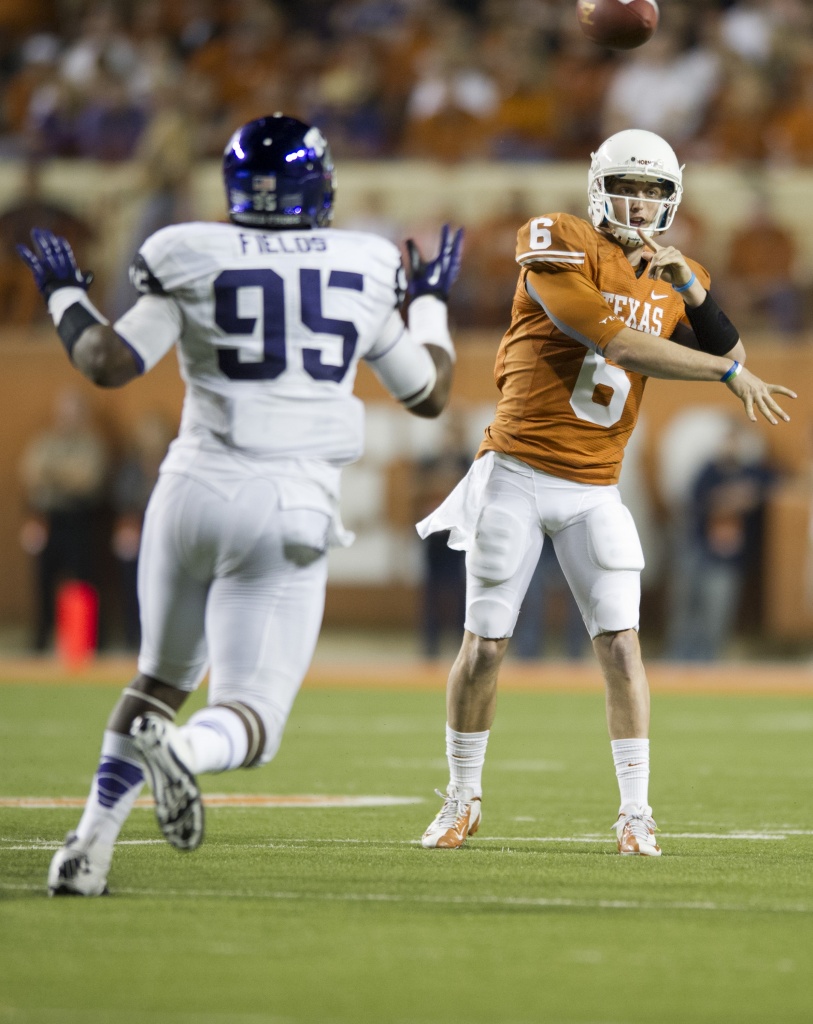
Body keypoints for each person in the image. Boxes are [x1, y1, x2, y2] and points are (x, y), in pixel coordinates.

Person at [18, 113, 463, 896]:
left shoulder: (191, 249)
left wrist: (61, 294)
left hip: (188, 490)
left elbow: (108, 361)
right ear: (317, 187)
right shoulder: (360, 262)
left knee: (156, 681)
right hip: (285, 503)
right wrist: (429, 303)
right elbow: (427, 394)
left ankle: (86, 851)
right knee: (250, 718)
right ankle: (183, 755)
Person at [416, 128, 795, 857]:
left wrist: (687, 287)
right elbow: (609, 339)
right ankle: (461, 799)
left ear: (673, 199)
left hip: (595, 486)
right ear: (597, 187)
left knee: (622, 647)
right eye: (627, 185)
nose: (640, 201)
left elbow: (734, 351)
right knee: (486, 645)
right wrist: (723, 375)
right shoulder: (556, 237)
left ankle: (634, 814)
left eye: (655, 190)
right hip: (517, 472)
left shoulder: (674, 271)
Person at [19, 387, 108, 652]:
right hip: (48, 519)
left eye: (73, 412)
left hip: (79, 519)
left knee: (83, 579)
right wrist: (65, 475)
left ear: (82, 415)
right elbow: (31, 474)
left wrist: (53, 475)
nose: (67, 418)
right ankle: (42, 638)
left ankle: (88, 641)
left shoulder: (92, 443)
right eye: (63, 412)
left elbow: (87, 480)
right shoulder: (44, 441)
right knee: (44, 580)